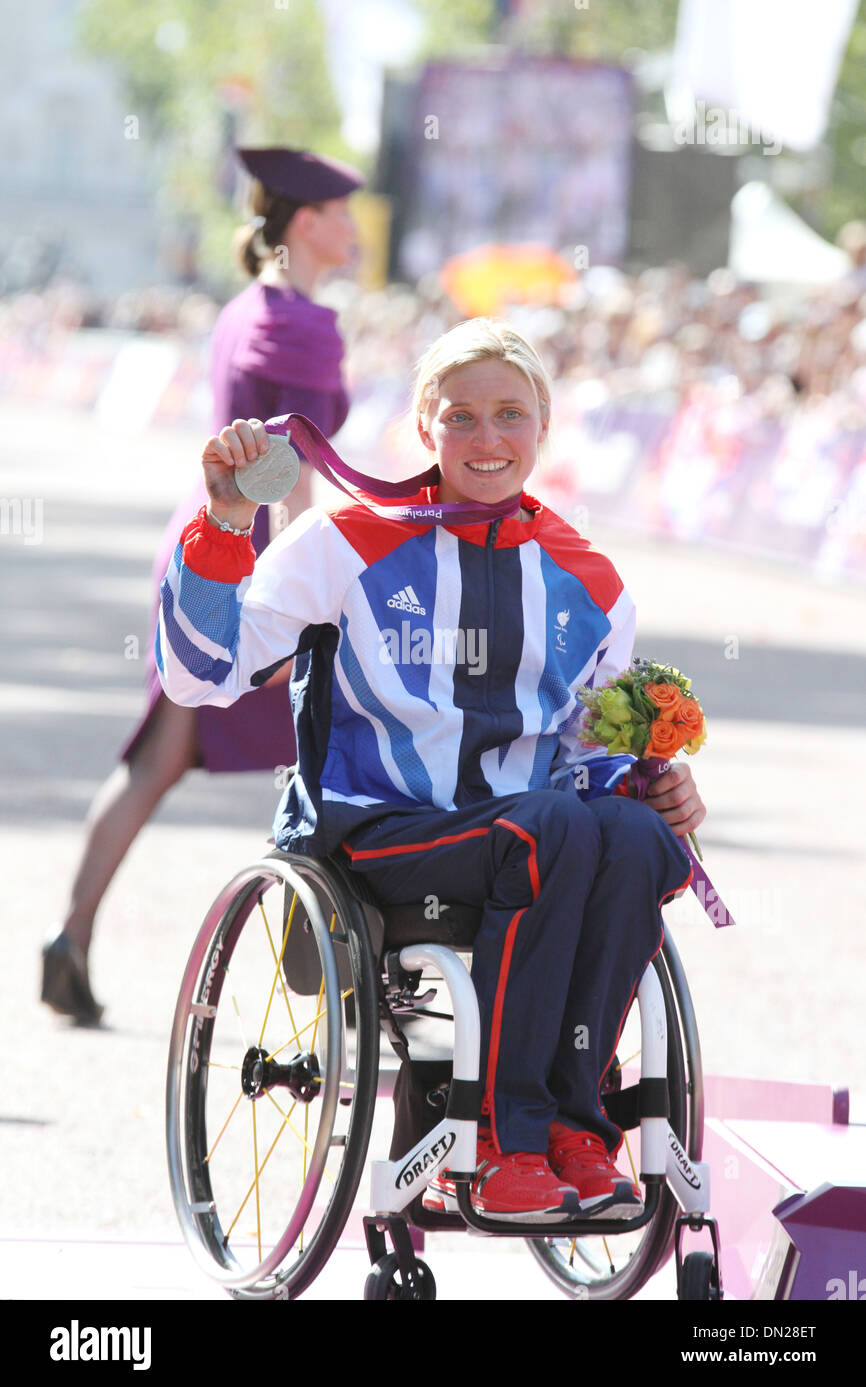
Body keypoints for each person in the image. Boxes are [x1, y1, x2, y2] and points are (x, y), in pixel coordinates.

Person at [155, 318, 705, 1222]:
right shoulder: (345, 542)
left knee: (638, 837)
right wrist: (223, 520)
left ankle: (574, 1127)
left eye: (510, 416)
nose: (487, 440)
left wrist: (653, 785)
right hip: (370, 832)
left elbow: (589, 760)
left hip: (527, 832)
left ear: (543, 426)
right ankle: (497, 1136)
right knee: (553, 825)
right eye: (461, 419)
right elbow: (196, 675)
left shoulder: (590, 579)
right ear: (423, 428)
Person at [41, 147, 363, 1025]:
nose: (355, 227)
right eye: (342, 211)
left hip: (206, 538)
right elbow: (290, 468)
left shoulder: (249, 309)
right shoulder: (301, 320)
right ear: (306, 222)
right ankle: (313, 950)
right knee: (325, 736)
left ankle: (69, 939)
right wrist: (315, 578)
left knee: (159, 759)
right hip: (256, 551)